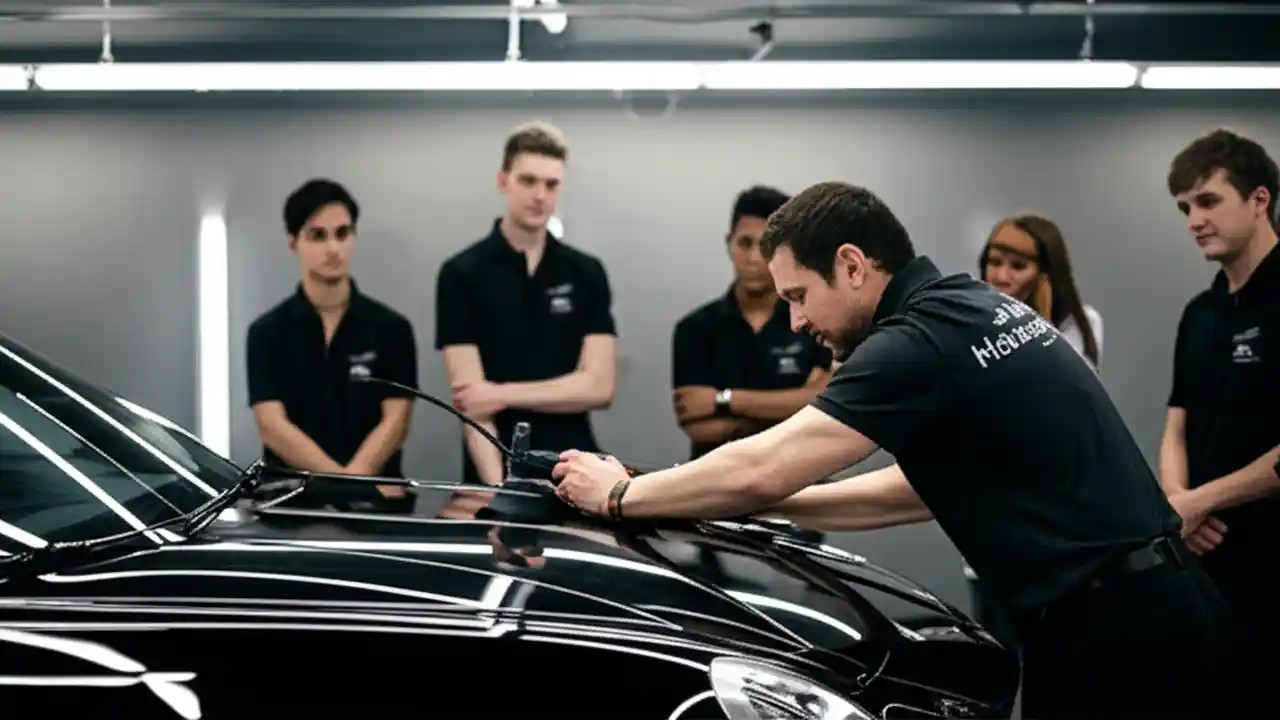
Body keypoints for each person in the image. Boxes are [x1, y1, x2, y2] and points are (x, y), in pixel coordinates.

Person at [553, 181, 1231, 720]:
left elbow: (763, 466)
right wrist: (758, 507)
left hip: (1124, 636)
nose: (796, 320)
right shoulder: (966, 308)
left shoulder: (913, 343)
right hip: (1148, 611)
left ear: (850, 265)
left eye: (799, 295)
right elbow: (910, 489)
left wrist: (620, 496)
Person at [1158, 127, 1280, 714]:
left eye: (1208, 201)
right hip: (1205, 566)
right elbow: (1176, 420)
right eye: (1185, 207)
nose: (1193, 220)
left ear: (1259, 200)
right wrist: (1178, 502)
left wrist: (1200, 501)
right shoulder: (1199, 313)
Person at [435, 120, 617, 486]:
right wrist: (498, 490)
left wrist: (499, 394)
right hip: (494, 465)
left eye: (551, 184)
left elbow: (599, 386)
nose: (540, 195)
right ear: (503, 181)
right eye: (528, 180)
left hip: (575, 467)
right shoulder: (461, 274)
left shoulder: (586, 272)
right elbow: (473, 403)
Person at [246, 178, 418, 513]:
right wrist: (341, 482)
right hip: (291, 506)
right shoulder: (266, 332)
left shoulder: (391, 328)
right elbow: (272, 426)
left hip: (377, 504)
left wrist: (354, 481)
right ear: (293, 242)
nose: (333, 247)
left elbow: (397, 420)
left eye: (342, 233)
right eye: (318, 235)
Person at [671, 185, 832, 461]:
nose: (755, 258)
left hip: (799, 483)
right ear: (729, 243)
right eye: (745, 243)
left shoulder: (813, 321)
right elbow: (698, 428)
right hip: (711, 485)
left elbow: (824, 402)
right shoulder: (695, 329)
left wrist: (722, 400)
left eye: (766, 246)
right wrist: (791, 412)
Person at [979, 213, 1103, 368]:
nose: (1001, 276)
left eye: (1018, 266)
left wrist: (1042, 322)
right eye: (995, 262)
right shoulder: (972, 319)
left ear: (1045, 273)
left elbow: (1063, 386)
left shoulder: (1082, 321)